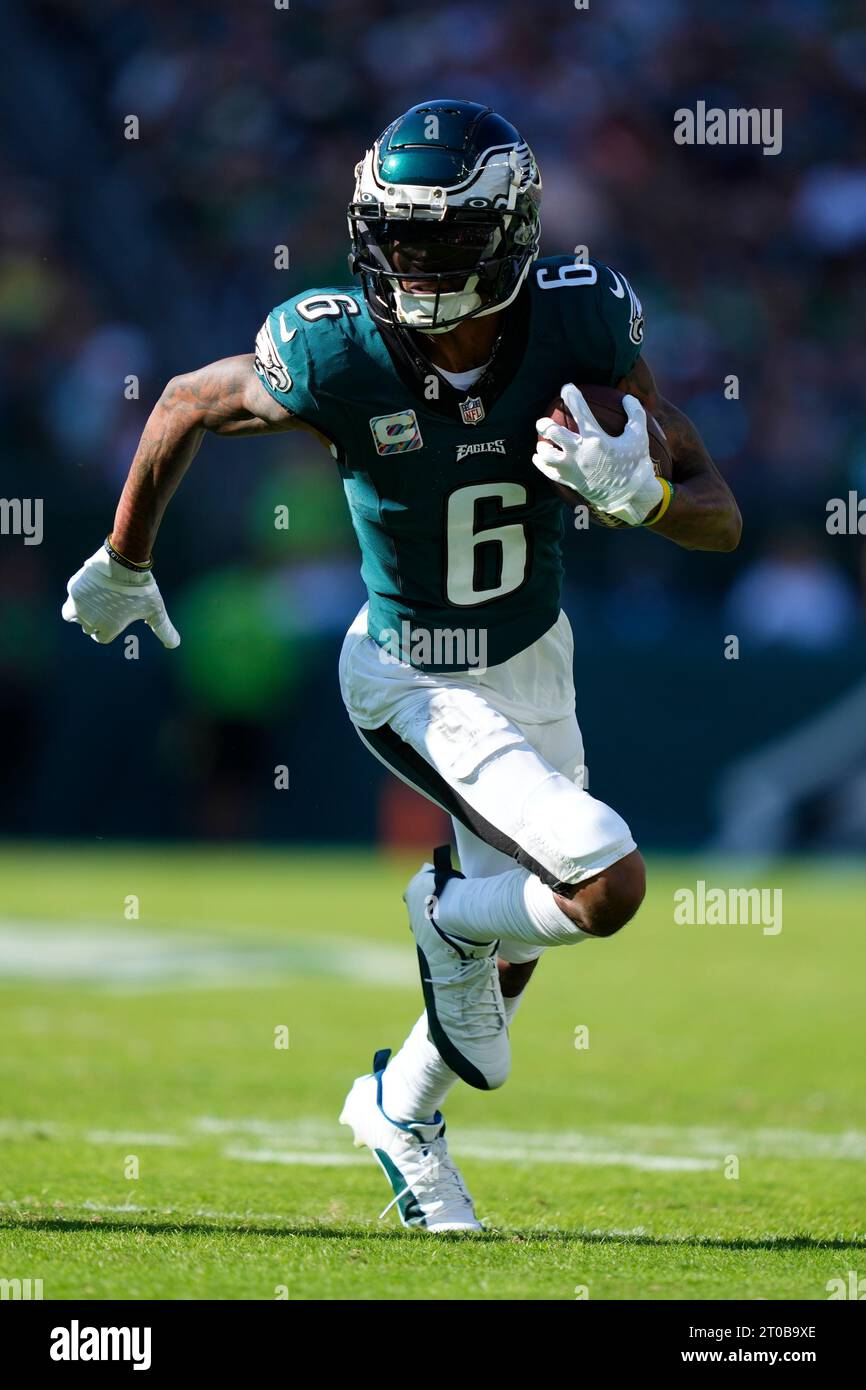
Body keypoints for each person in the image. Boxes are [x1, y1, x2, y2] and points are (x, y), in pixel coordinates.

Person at [63, 99, 741, 1231]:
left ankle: (397, 1109)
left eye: (439, 241)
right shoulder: (338, 346)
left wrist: (649, 496)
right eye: (394, 236)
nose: (410, 266)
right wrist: (123, 559)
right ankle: (446, 918)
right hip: (410, 672)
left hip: (535, 660)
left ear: (510, 239)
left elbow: (715, 515)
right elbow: (183, 400)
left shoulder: (579, 330)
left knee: (518, 962)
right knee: (600, 883)